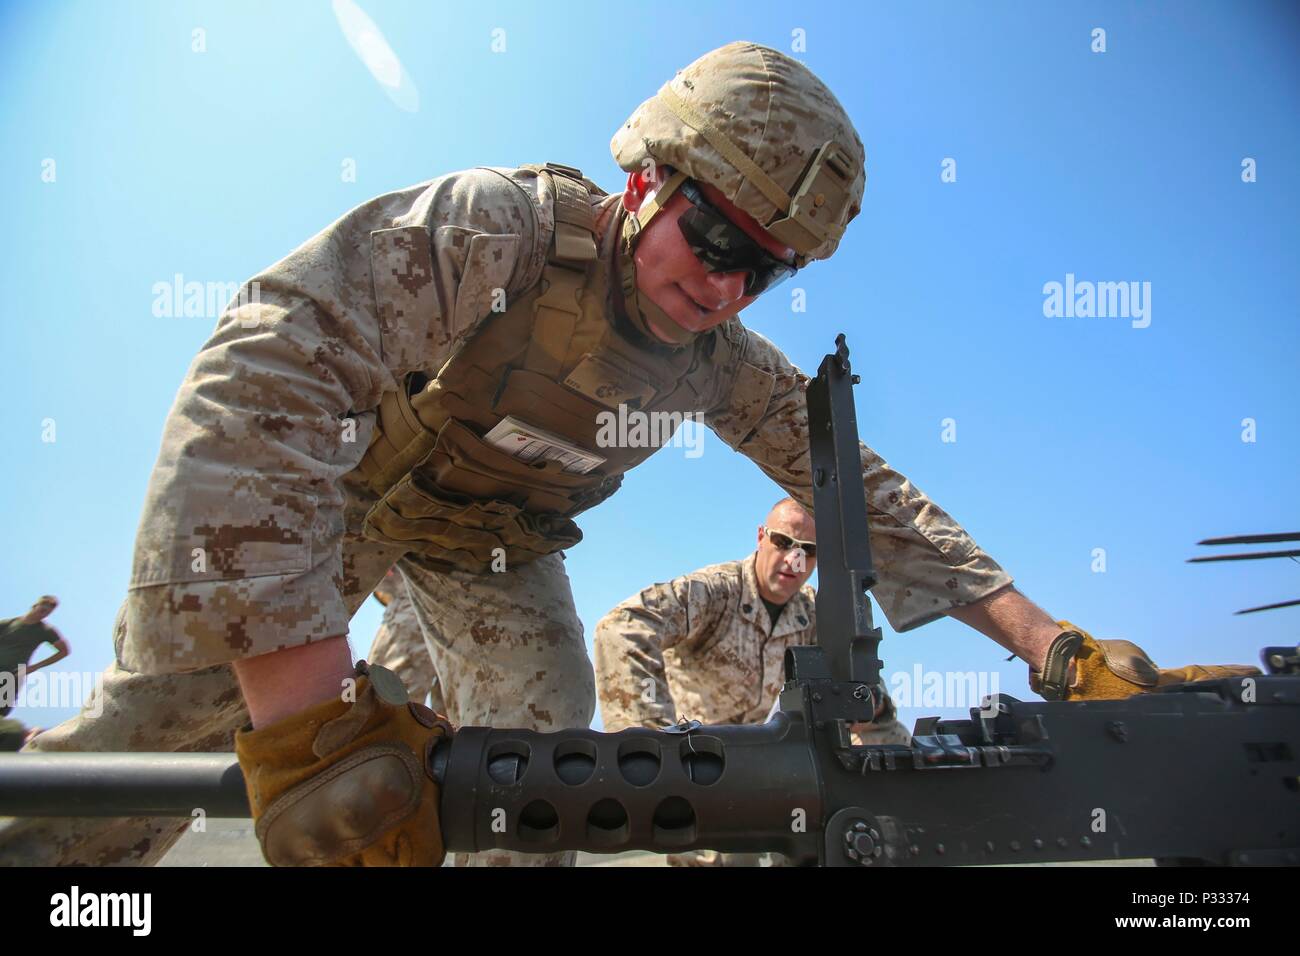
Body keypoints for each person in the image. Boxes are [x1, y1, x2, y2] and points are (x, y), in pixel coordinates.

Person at [0, 41, 1255, 868]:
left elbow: (864, 497)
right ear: (648, 181)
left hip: (486, 550)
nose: (724, 284)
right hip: (334, 503)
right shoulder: (496, 232)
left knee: (541, 754)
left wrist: (1055, 647)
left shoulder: (716, 365)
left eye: (764, 267)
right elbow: (270, 353)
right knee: (156, 740)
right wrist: (303, 706)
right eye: (712, 235)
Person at [595, 497, 909, 866]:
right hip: (693, 766)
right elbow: (621, 629)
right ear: (761, 537)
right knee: (726, 859)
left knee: (889, 744)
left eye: (809, 551)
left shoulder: (813, 612)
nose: (794, 560)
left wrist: (866, 710)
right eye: (783, 542)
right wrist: (652, 748)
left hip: (759, 761)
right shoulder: (716, 592)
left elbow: (867, 695)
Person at [0, 597, 70, 717]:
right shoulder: (8, 623)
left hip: (12, 676)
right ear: (34, 606)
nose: (43, 614)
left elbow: (64, 651)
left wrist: (35, 667)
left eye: (47, 612)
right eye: (42, 610)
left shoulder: (46, 630)